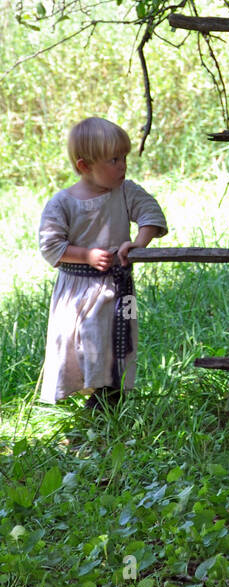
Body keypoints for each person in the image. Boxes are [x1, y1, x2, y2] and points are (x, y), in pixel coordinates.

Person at [38, 117, 168, 409]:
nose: (122, 165)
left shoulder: (126, 192)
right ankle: (93, 396)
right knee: (84, 342)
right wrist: (86, 255)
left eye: (123, 158)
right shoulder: (62, 203)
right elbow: (50, 246)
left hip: (119, 286)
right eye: (113, 160)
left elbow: (151, 213)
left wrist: (137, 243)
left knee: (118, 341)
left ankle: (110, 395)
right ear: (85, 166)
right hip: (79, 290)